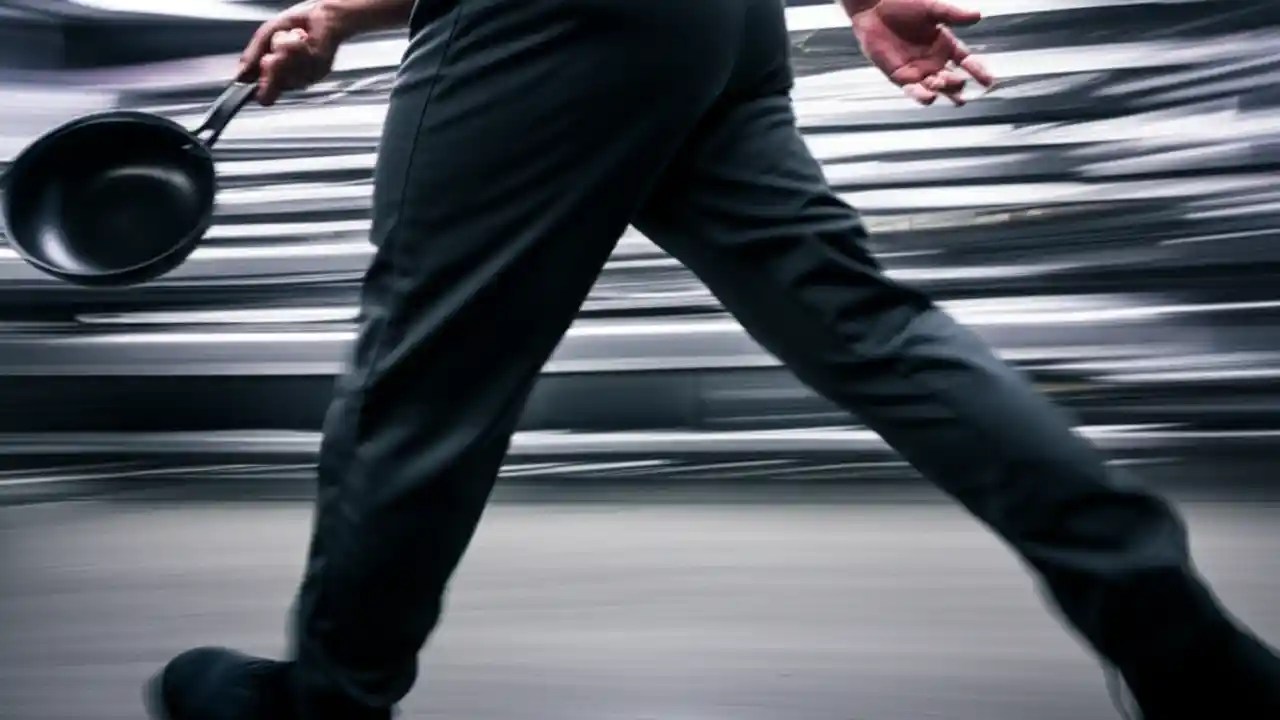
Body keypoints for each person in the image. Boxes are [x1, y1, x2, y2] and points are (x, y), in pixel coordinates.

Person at [144, 1, 1280, 719]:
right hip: (715, 29)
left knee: (421, 378)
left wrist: (343, 6)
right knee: (869, 330)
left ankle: (325, 704)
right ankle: (1195, 665)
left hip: (546, 24)